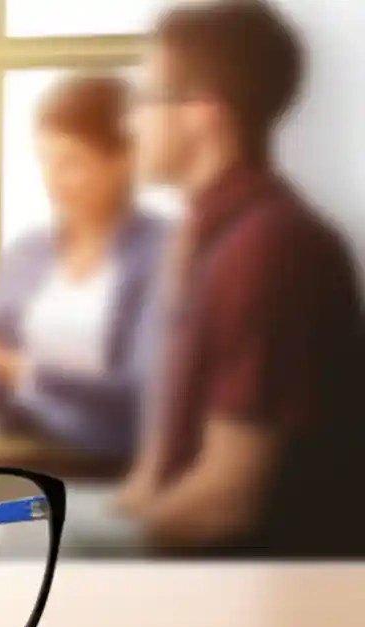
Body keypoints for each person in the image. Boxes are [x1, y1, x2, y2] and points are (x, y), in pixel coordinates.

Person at [117, 0, 364, 555]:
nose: (127, 120)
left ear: (202, 110)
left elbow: (226, 501)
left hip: (259, 610)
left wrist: (77, 559)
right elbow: (161, 474)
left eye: (143, 97)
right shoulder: (203, 236)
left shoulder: (267, 248)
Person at [0, 74, 166, 465]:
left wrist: (12, 367)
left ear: (125, 161)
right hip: (15, 459)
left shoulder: (164, 255)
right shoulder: (27, 253)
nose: (53, 181)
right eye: (45, 161)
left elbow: (141, 403)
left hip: (116, 469)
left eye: (71, 162)